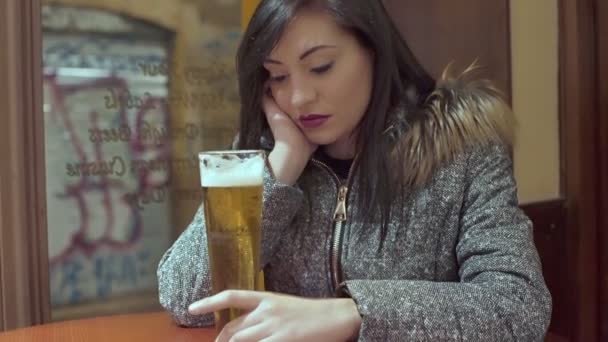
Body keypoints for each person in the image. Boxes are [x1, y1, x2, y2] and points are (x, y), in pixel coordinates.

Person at [157, 0, 552, 341]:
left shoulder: (462, 147)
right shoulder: (267, 156)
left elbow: (518, 306)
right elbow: (186, 299)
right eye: (278, 76)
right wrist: (283, 166)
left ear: (374, 52)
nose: (298, 97)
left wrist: (353, 313)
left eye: (321, 66)